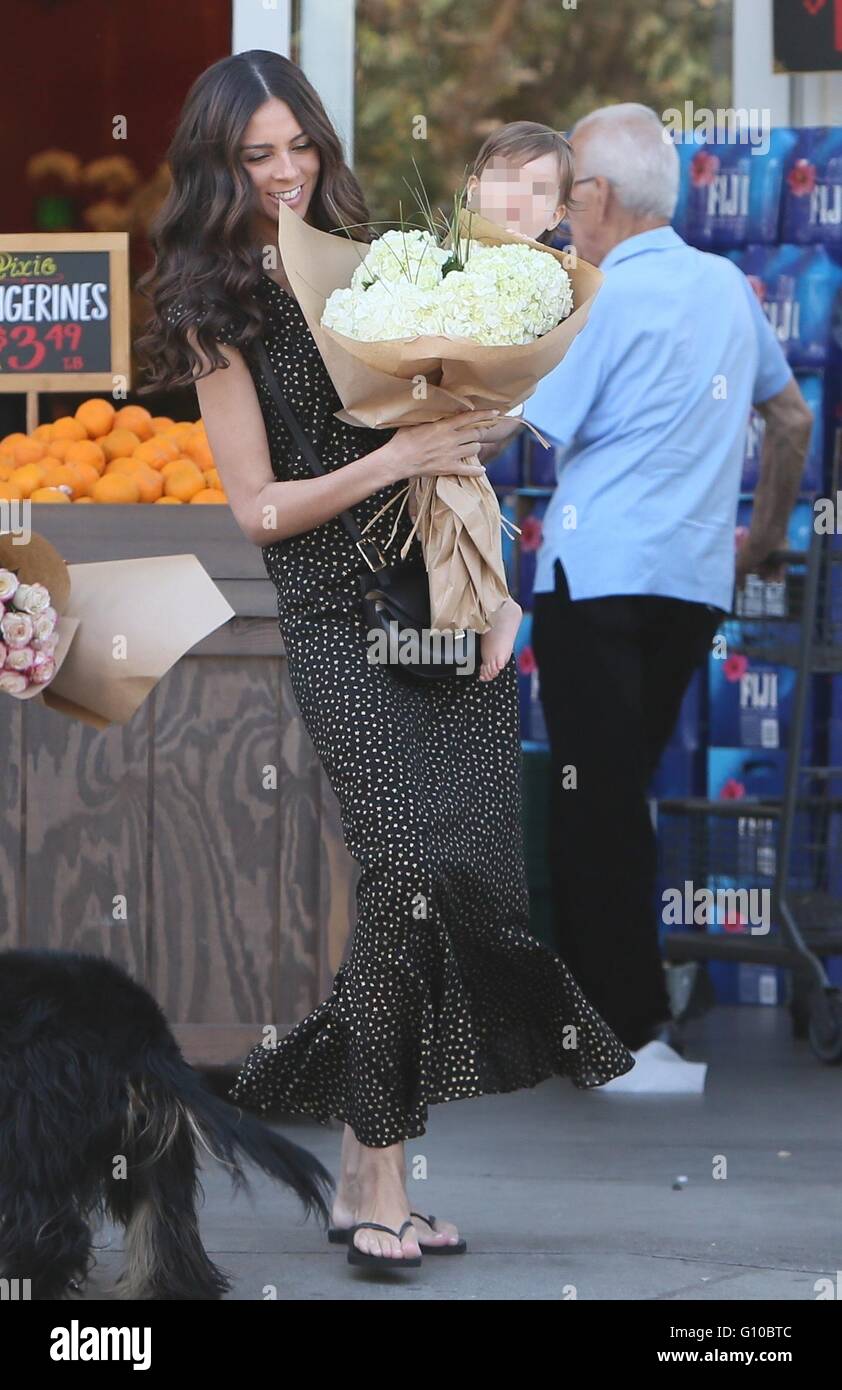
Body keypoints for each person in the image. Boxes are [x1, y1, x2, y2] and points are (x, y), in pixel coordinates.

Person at [136, 53, 635, 1272]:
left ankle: (375, 1168)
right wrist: (391, 465)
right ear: (218, 167)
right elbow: (257, 508)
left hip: (440, 603)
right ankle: (367, 1169)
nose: (286, 170)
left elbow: (444, 426)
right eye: (256, 155)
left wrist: (474, 435)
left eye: (297, 143)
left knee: (453, 875)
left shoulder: (372, 259)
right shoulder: (214, 308)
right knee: (407, 862)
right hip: (334, 616)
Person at [481, 103, 813, 1052]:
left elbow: (513, 431)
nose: (562, 213)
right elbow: (790, 422)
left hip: (599, 581)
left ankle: (629, 1028)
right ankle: (587, 1021)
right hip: (693, 586)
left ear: (604, 198)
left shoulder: (600, 296)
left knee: (598, 806)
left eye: (570, 192)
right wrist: (762, 541)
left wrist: (402, 424)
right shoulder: (729, 289)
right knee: (611, 793)